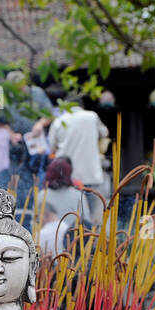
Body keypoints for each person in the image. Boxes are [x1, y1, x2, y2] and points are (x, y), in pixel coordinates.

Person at [48, 96, 109, 225]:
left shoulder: (59, 120)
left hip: (67, 178)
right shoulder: (92, 117)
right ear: (82, 105)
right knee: (87, 221)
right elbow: (105, 133)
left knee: (65, 218)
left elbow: (52, 147)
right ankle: (87, 242)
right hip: (90, 176)